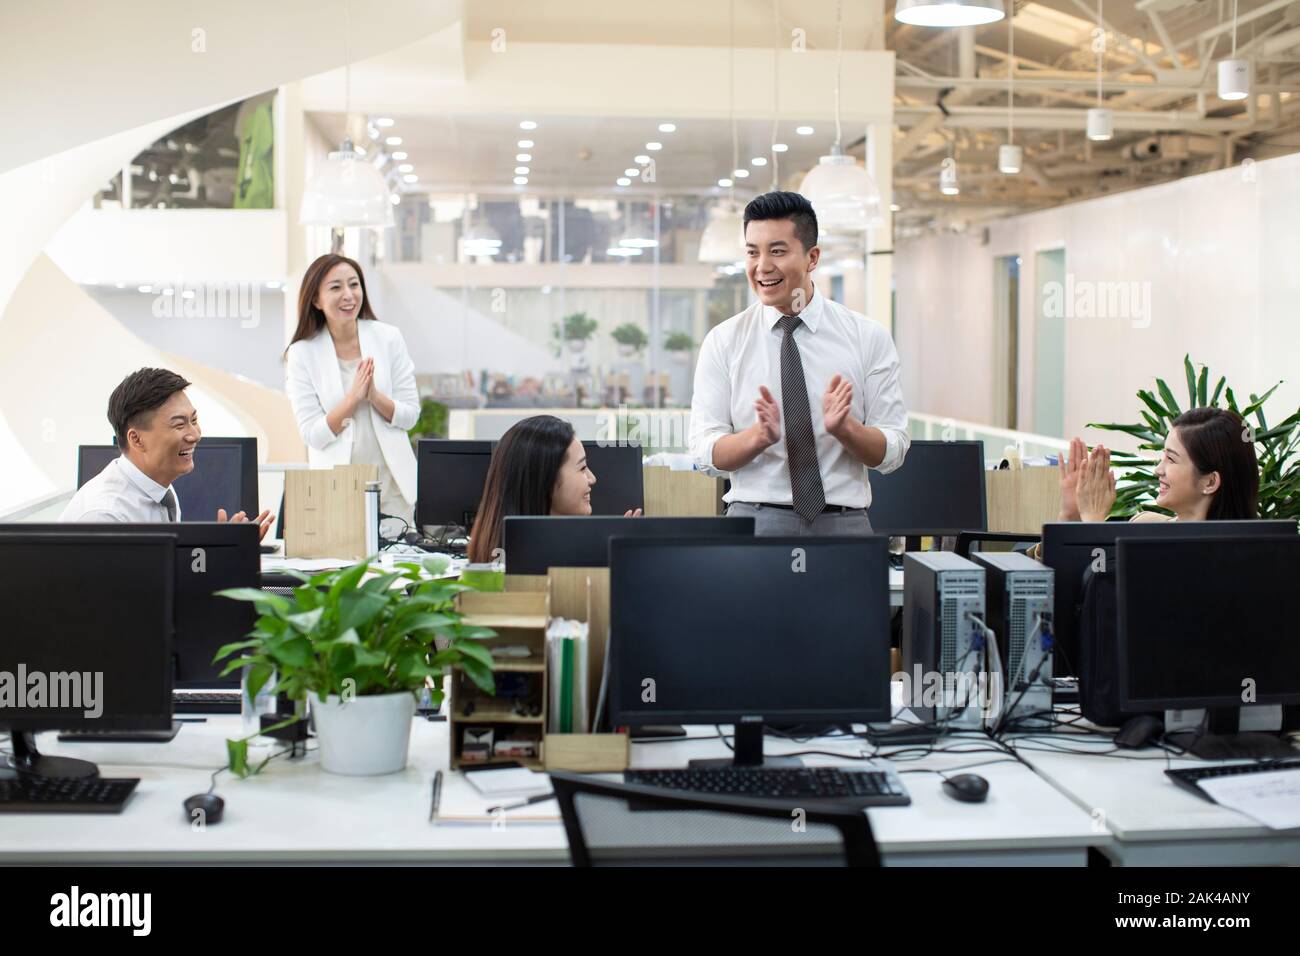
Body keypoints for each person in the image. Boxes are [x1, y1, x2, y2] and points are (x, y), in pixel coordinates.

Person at [688, 190, 909, 536]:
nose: (762, 266)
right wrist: (758, 437)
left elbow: (893, 451)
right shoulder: (724, 341)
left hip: (844, 524)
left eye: (777, 251)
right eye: (752, 252)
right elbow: (704, 453)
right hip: (754, 521)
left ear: (812, 257)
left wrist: (847, 430)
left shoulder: (867, 337)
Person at [284, 253, 420, 525]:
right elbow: (313, 434)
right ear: (316, 300)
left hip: (393, 487)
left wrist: (374, 397)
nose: (348, 295)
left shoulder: (388, 338)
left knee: (399, 552)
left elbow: (410, 416)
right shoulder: (302, 353)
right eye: (336, 287)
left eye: (354, 284)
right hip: (337, 489)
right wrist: (352, 399)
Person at [61, 367, 274, 538]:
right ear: (136, 439)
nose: (195, 435)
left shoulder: (160, 490)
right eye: (179, 425)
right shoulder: (105, 516)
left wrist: (226, 548)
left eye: (194, 420)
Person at [466, 415, 641, 564]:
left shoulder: (503, 557)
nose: (592, 478)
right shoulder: (541, 568)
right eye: (582, 468)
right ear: (546, 479)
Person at [1058, 407, 1260, 523]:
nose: (1158, 470)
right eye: (1163, 455)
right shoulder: (1143, 525)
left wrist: (1093, 523)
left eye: (1171, 459)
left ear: (1210, 482)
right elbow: (1061, 581)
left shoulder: (1254, 556)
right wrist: (1071, 516)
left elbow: (1104, 585)